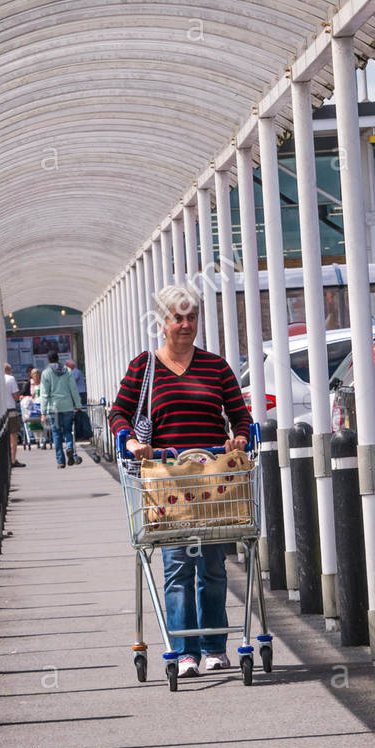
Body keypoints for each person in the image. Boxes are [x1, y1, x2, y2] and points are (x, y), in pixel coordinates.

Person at [108, 284, 251, 677]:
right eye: (177, 318)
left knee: (212, 568)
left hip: (210, 482)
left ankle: (214, 647)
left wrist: (238, 436)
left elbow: (241, 415)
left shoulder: (216, 367)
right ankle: (184, 651)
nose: (185, 325)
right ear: (162, 322)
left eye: (191, 317)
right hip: (167, 484)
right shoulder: (144, 367)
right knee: (177, 570)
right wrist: (133, 440)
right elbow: (118, 413)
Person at [40, 349, 82, 468]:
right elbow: (73, 389)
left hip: (54, 408)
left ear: (48, 360)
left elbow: (44, 393)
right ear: (58, 359)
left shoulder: (46, 373)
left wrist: (43, 411)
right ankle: (69, 447)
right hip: (67, 406)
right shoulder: (67, 371)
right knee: (68, 431)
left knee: (57, 433)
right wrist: (78, 405)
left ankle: (60, 461)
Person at [3, 363, 24, 468]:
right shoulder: (10, 379)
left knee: (2, 437)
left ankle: (4, 460)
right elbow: (16, 396)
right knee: (13, 435)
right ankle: (13, 459)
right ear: (8, 370)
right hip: (10, 409)